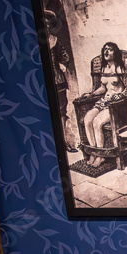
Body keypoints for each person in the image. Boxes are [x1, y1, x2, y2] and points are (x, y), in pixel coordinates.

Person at [80, 42, 127, 166]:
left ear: (115, 52)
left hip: (116, 105)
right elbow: (103, 88)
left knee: (97, 122)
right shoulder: (104, 68)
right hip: (103, 102)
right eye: (105, 49)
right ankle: (94, 153)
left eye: (110, 49)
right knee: (87, 119)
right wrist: (91, 94)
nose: (107, 52)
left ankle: (101, 157)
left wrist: (120, 95)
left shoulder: (120, 68)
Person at [44, 9, 76, 152]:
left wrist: (61, 67)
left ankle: (64, 142)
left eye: (47, 24)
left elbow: (65, 57)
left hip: (57, 80)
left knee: (61, 110)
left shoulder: (54, 41)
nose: (45, 27)